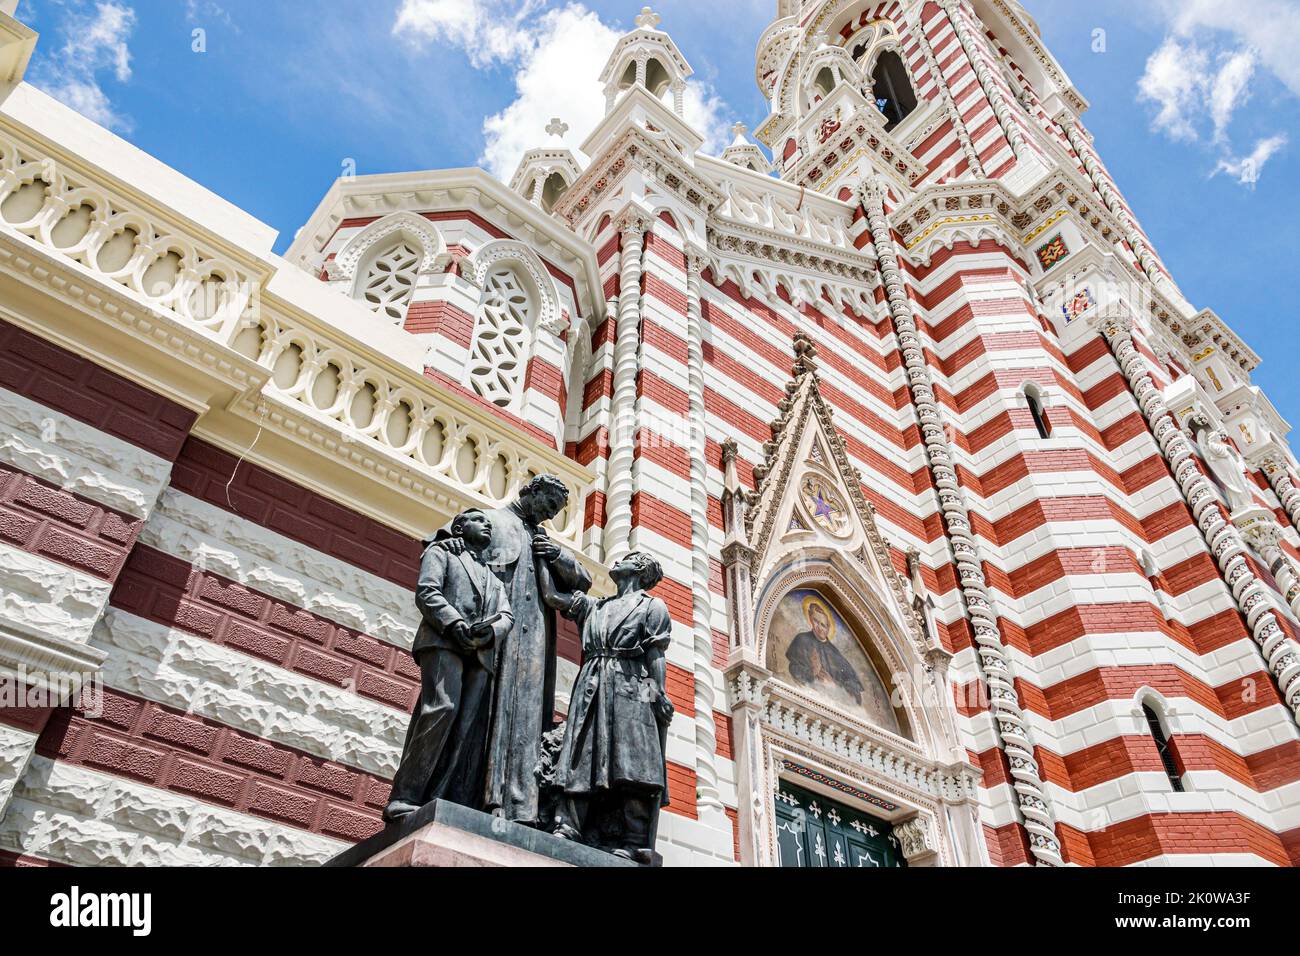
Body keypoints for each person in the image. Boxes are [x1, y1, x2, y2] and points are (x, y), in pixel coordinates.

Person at [435, 476, 593, 826]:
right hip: (492, 635)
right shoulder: (489, 521)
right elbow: (441, 550)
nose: (550, 514)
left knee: (527, 717)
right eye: (549, 504)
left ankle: (520, 807)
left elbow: (582, 581)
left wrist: (558, 554)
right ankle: (465, 795)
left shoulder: (543, 540)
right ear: (531, 492)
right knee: (479, 712)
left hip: (534, 640)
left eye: (556, 510)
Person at [539, 551, 673, 863]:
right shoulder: (596, 606)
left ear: (638, 568)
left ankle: (633, 839)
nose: (615, 561)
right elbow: (552, 596)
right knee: (581, 754)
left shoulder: (652, 607)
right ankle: (568, 824)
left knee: (633, 763)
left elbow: (655, 655)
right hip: (592, 683)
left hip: (633, 685)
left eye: (625, 558)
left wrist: (658, 696)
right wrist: (544, 556)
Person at [384, 510, 513, 823]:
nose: (487, 525)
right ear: (459, 526)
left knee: (465, 728)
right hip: (443, 641)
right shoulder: (441, 552)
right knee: (442, 707)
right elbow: (427, 591)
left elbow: (506, 616)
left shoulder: (496, 580)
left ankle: (439, 796)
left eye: (489, 524)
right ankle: (405, 796)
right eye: (479, 519)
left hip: (479, 655)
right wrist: (455, 624)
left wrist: (490, 632)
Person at [786, 596, 864, 705]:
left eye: (823, 624)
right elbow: (793, 668)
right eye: (816, 621)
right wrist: (812, 673)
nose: (819, 627)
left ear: (828, 627)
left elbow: (855, 690)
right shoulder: (802, 640)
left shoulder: (836, 655)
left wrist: (834, 684)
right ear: (810, 620)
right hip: (805, 698)